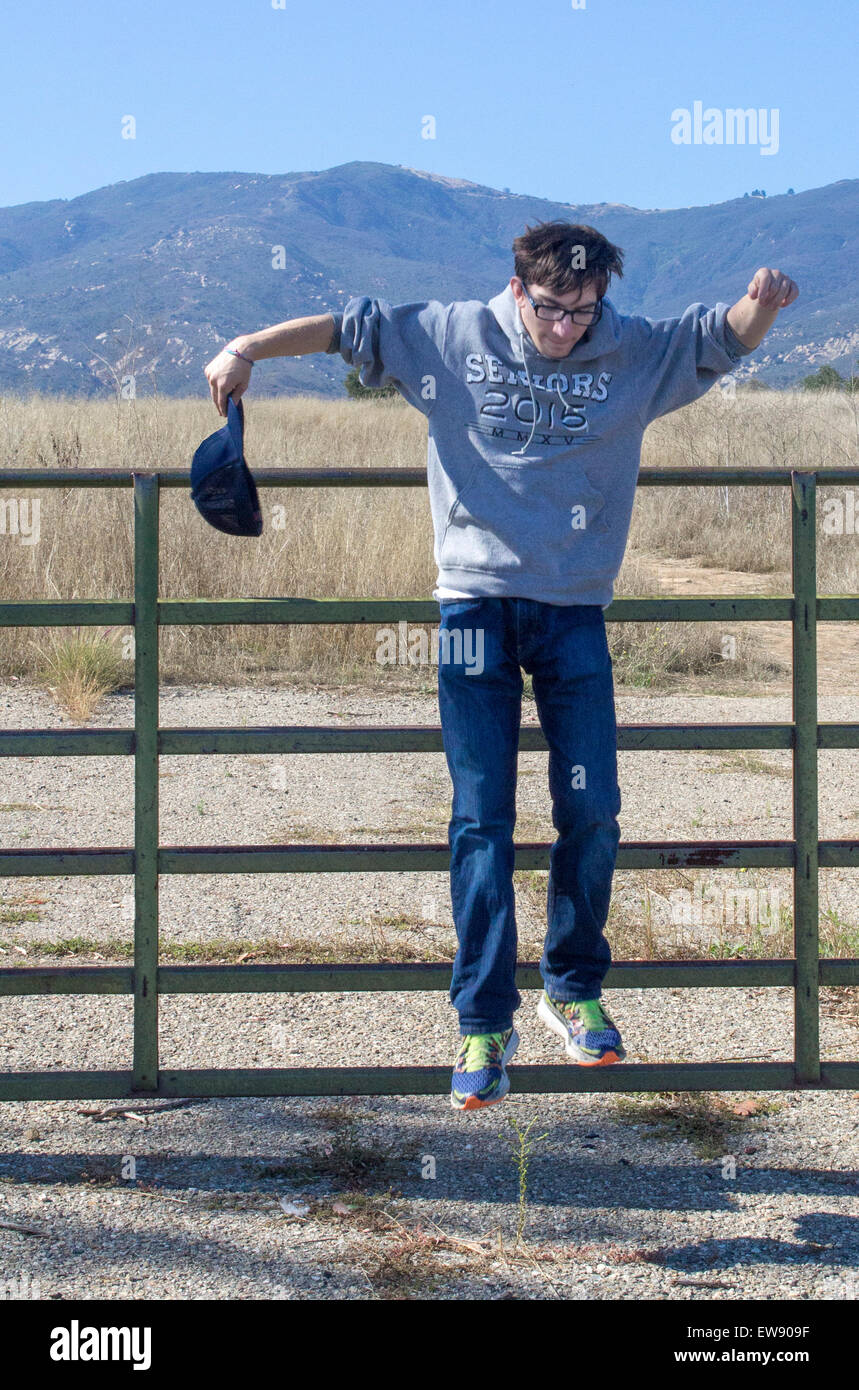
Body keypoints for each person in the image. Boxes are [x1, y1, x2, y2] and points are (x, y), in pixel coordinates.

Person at [204, 221, 798, 1111]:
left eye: (583, 310)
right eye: (553, 309)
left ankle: (572, 988)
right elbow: (344, 330)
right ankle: (483, 1019)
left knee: (592, 811)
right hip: (472, 613)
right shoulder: (449, 335)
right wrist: (246, 348)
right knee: (481, 819)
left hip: (573, 617)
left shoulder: (628, 351)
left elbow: (717, 337)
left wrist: (762, 305)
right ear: (518, 288)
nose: (566, 328)